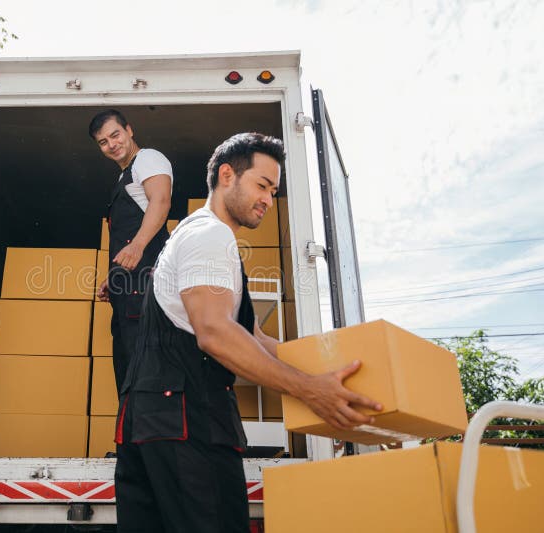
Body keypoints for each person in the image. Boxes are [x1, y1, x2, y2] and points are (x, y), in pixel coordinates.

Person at [113, 132, 383, 533]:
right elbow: (215, 333)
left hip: (155, 423)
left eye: (273, 192)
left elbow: (252, 337)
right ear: (226, 175)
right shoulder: (210, 235)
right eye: (261, 185)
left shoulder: (200, 238)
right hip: (185, 426)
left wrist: (337, 375)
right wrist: (309, 389)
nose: (267, 200)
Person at [89, 110, 173, 393]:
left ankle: (151, 436)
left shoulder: (148, 159)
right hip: (129, 292)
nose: (111, 144)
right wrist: (115, 278)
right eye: (103, 142)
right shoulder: (124, 177)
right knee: (128, 378)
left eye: (115, 135)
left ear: (129, 130)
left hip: (146, 291)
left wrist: (137, 245)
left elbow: (160, 201)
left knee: (146, 376)